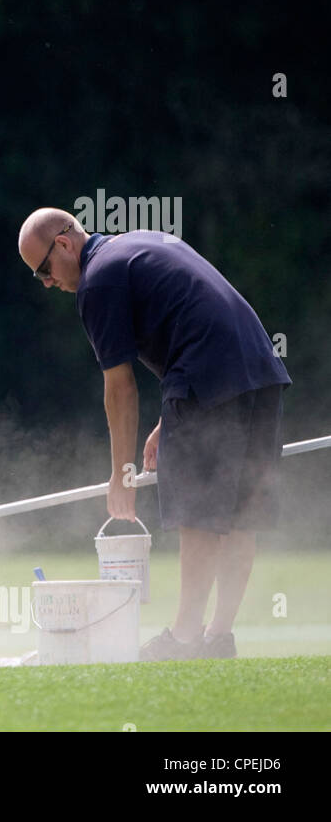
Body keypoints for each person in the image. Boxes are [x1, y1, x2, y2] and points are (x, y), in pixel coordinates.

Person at [17, 208, 289, 661]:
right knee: (242, 513)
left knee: (199, 512)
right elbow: (199, 315)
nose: (47, 283)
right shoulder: (138, 241)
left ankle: (184, 637)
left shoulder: (97, 280)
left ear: (64, 244)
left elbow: (119, 387)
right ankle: (218, 638)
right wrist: (171, 418)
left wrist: (121, 472)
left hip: (208, 376)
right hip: (259, 369)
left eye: (44, 270)